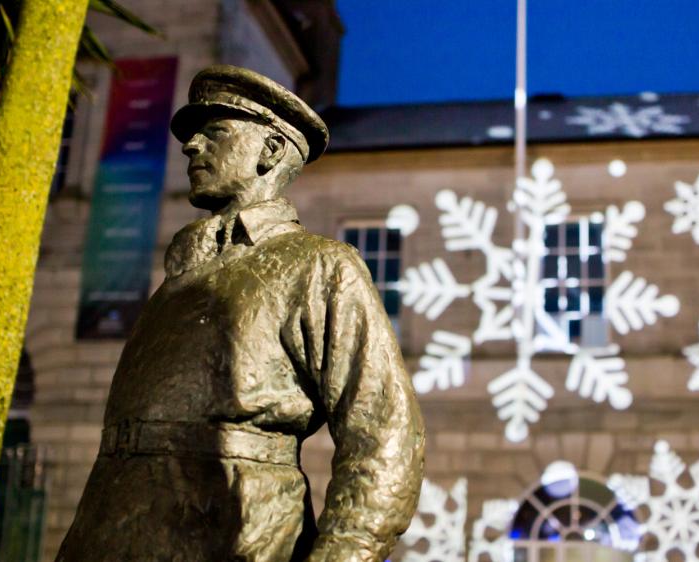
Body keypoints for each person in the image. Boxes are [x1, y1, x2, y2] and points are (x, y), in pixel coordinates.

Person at [56, 65, 425, 561]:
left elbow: (384, 433)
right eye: (193, 136)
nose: (191, 146)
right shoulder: (179, 277)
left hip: (238, 538)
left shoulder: (318, 265)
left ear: (269, 151)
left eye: (216, 132)